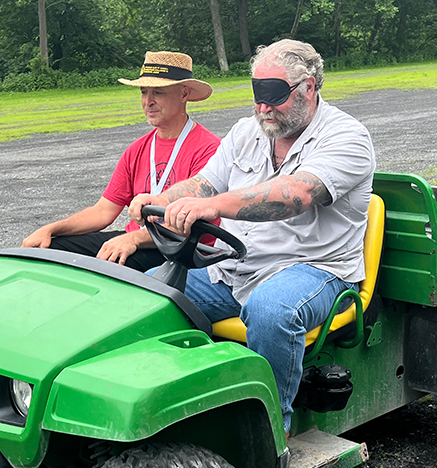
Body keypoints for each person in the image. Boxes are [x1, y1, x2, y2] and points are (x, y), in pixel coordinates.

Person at [129, 39, 374, 436]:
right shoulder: (248, 131)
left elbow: (295, 195)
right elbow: (205, 184)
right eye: (257, 94)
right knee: (153, 294)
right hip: (239, 268)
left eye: (274, 96)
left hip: (315, 269)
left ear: (308, 88)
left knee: (271, 311)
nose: (262, 108)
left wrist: (215, 207)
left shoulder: (347, 137)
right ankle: (184, 412)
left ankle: (272, 433)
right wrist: (161, 198)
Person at [21, 51, 222, 272]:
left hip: (184, 250)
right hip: (138, 240)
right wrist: (51, 229)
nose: (148, 102)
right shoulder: (136, 150)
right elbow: (103, 212)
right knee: (50, 250)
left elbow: (186, 225)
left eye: (158, 92)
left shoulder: (209, 149)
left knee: (109, 267)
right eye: (144, 92)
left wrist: (133, 240)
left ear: (184, 93)